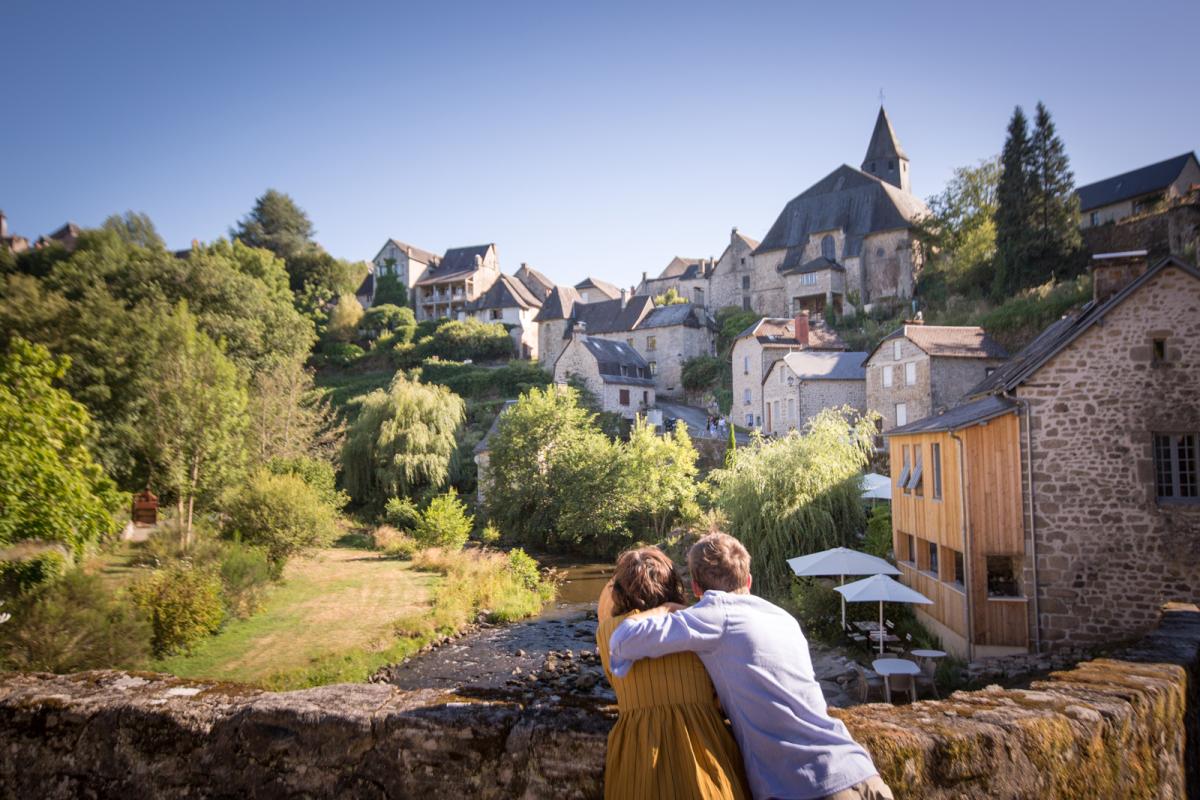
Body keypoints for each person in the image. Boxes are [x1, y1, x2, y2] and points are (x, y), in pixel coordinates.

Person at [609, 533, 891, 800]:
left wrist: (668, 607)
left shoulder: (714, 615)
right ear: (748, 580)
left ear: (696, 588)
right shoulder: (782, 617)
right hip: (862, 772)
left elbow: (622, 641)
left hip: (804, 785)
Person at [596, 547, 750, 800]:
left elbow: (615, 681)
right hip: (704, 746)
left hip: (638, 751)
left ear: (620, 590)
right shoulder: (698, 623)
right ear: (672, 584)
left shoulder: (607, 632)